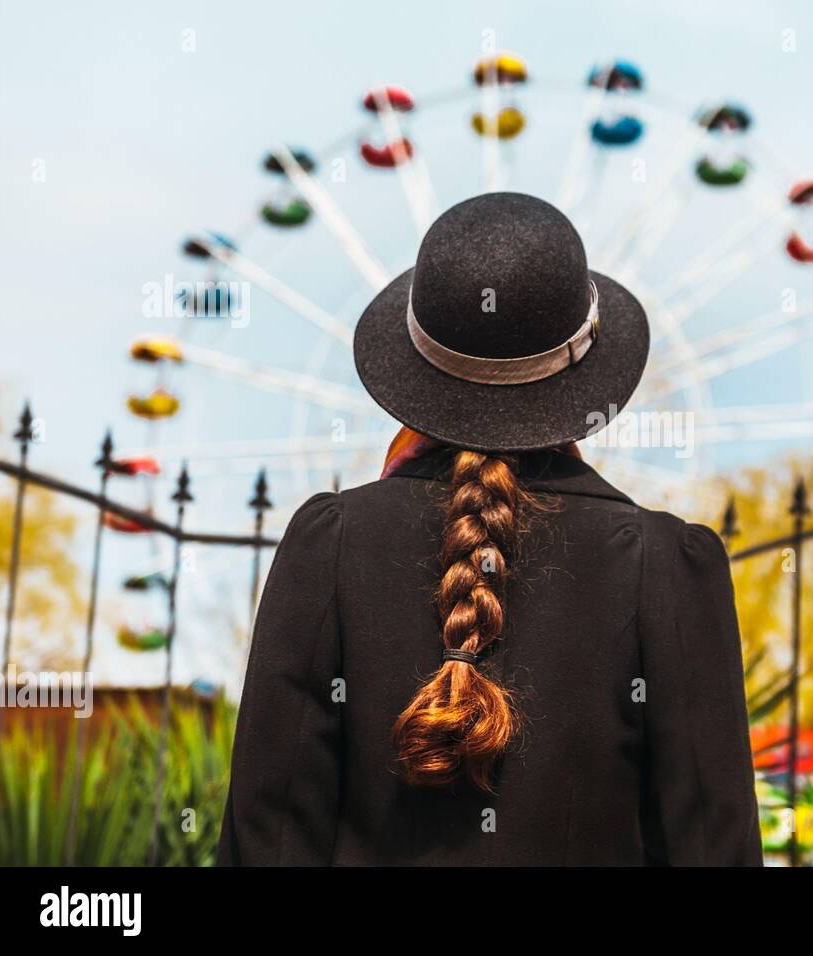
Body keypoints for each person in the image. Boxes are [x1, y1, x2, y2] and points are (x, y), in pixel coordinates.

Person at [217, 192, 762, 865]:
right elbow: (714, 847)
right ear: (589, 373)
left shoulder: (328, 544)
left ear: (414, 365)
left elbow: (264, 840)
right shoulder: (668, 566)